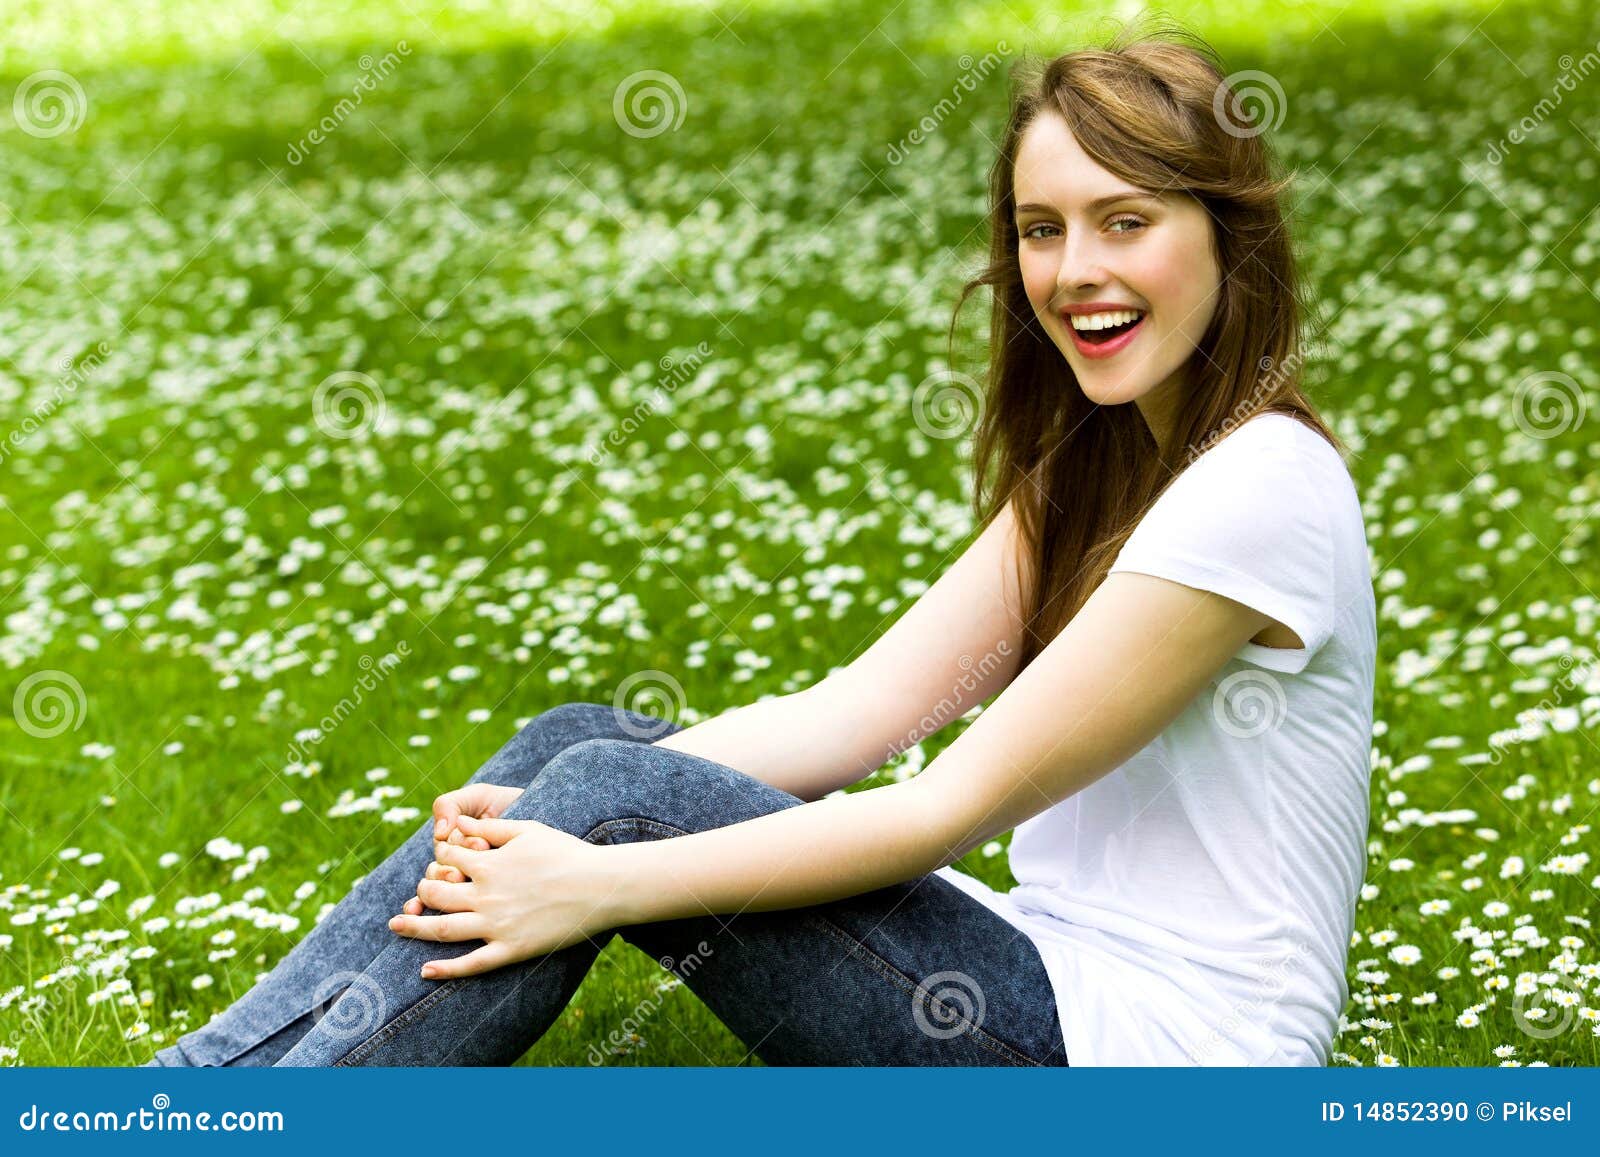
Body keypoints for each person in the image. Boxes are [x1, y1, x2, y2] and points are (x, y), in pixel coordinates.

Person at [145, 25, 1375, 1069]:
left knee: (607, 801)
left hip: (1161, 1061)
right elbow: (857, 711)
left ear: (1227, 236)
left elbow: (940, 807)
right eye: (1040, 229)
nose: (1075, 271)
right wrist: (547, 815)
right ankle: (196, 1088)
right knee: (577, 752)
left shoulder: (1259, 486)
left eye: (1125, 221)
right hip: (1054, 977)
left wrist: (598, 875)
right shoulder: (1103, 468)